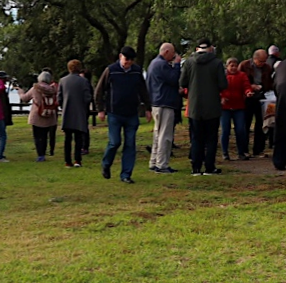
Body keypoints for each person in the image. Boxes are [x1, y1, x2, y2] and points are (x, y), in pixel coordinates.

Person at [94, 47, 151, 184]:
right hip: (115, 112)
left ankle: (126, 174)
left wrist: (148, 108)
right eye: (126, 59)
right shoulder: (111, 70)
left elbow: (143, 90)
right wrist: (100, 109)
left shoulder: (136, 71)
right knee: (115, 142)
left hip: (131, 113)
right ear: (120, 57)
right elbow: (99, 90)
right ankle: (106, 164)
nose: (128, 63)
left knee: (130, 144)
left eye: (131, 60)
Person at [180, 39, 228, 175]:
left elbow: (182, 82)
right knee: (211, 138)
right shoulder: (217, 63)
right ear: (211, 48)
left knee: (196, 138)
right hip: (212, 106)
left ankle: (195, 167)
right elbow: (223, 84)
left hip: (195, 106)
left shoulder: (189, 62)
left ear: (197, 49)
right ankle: (209, 167)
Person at [147, 43, 182, 174]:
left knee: (157, 134)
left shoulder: (153, 64)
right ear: (167, 52)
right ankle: (162, 164)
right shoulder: (162, 65)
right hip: (165, 103)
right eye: (173, 53)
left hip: (156, 102)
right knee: (165, 135)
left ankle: (154, 161)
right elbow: (174, 78)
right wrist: (177, 65)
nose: (174, 56)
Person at [19, 71, 60, 162]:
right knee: (45, 135)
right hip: (49, 114)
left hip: (37, 114)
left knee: (37, 136)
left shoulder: (35, 88)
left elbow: (25, 98)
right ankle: (44, 153)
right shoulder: (53, 89)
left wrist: (21, 93)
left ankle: (40, 155)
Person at [240, 49, 274, 157]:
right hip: (248, 97)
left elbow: (270, 82)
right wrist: (250, 87)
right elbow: (239, 80)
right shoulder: (245, 65)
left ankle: (259, 149)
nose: (263, 63)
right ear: (254, 59)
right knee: (246, 123)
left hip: (262, 97)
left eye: (264, 61)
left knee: (261, 123)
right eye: (261, 61)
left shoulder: (267, 68)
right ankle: (244, 149)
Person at [59, 62, 94, 166]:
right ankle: (77, 160)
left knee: (67, 138)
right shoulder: (84, 81)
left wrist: (63, 106)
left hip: (67, 112)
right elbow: (88, 97)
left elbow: (59, 97)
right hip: (79, 112)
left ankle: (67, 161)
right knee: (79, 138)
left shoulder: (62, 81)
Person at [220, 57, 251, 161]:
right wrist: (221, 97)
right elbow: (217, 88)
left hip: (239, 106)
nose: (233, 68)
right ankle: (225, 152)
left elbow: (246, 85)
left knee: (240, 129)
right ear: (227, 66)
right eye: (231, 65)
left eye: (235, 65)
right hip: (225, 107)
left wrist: (248, 92)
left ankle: (241, 152)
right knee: (225, 130)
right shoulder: (222, 76)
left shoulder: (242, 75)